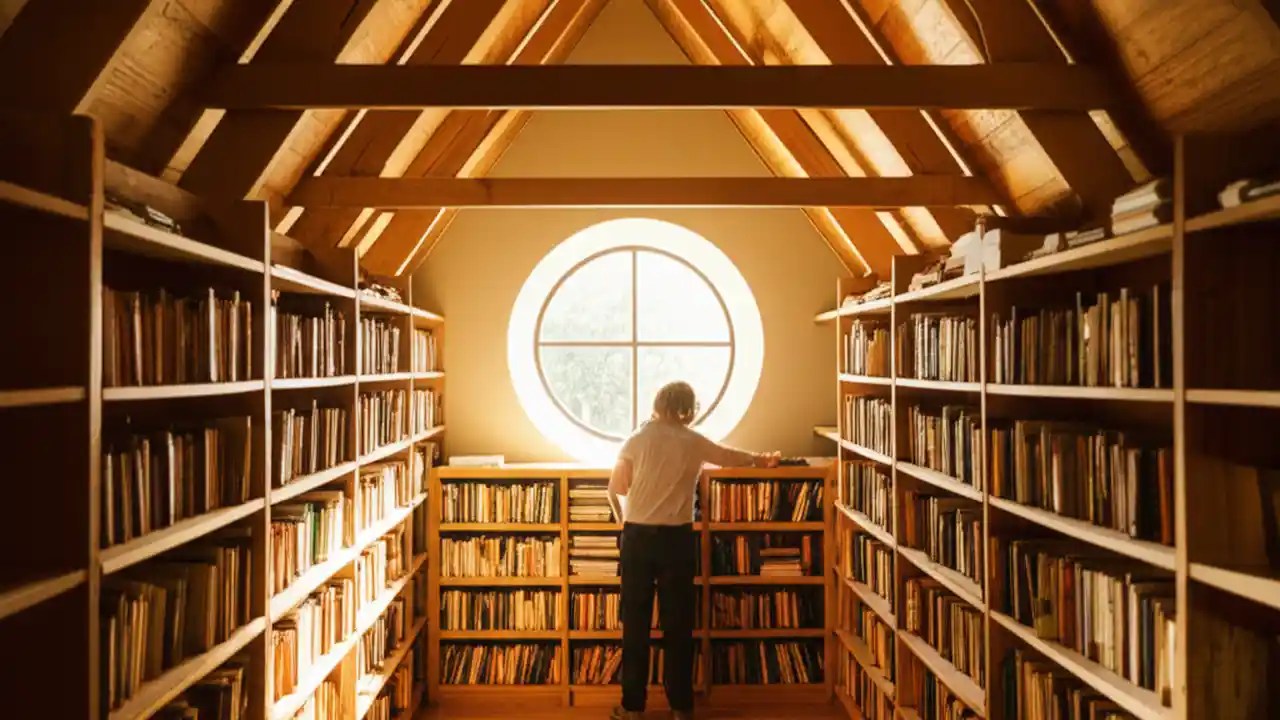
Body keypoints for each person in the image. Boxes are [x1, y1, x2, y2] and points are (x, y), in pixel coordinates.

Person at [607, 381, 780, 720]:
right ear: (688, 408)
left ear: (658, 403)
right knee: (679, 625)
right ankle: (681, 708)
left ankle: (632, 707)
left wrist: (625, 518)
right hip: (676, 539)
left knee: (635, 624)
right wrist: (762, 460)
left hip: (638, 537)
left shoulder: (636, 439)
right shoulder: (693, 441)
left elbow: (618, 487)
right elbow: (729, 457)